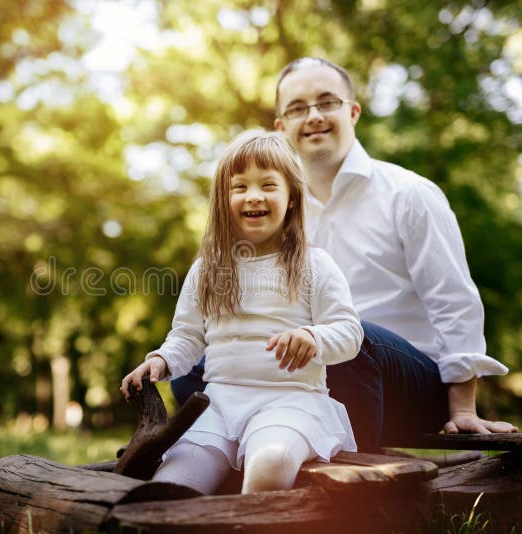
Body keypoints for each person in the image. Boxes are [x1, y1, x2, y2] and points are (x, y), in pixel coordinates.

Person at [172, 57, 518, 451]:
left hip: (405, 384)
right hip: (300, 381)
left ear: (352, 111)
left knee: (350, 336)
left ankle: (353, 480)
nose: (314, 116)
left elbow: (453, 301)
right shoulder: (274, 211)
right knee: (193, 369)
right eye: (298, 108)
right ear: (281, 127)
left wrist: (461, 409)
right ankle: (244, 443)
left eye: (327, 102)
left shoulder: (409, 194)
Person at [120, 128, 362, 495]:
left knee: (272, 463)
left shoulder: (315, 264)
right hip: (217, 406)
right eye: (240, 187)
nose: (253, 196)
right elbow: (187, 337)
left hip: (291, 403)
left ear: (292, 198)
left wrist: (314, 336)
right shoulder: (207, 270)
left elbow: (349, 332)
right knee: (176, 480)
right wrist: (162, 361)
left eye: (268, 185)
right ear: (223, 199)